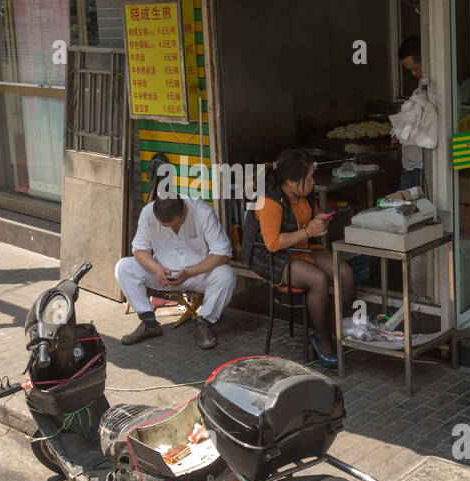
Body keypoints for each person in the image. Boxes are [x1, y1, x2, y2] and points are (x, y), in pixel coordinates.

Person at [242, 149, 355, 368]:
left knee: (345, 274)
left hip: (299, 247)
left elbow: (306, 221)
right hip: (270, 257)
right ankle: (322, 339)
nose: (313, 182)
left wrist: (318, 221)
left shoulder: (304, 193)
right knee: (317, 279)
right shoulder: (269, 201)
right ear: (293, 182)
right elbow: (272, 243)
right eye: (310, 177)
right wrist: (308, 232)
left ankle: (339, 329)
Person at [116, 194, 236, 350]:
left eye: (176, 225)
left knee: (226, 275)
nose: (173, 229)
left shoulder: (202, 212)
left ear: (184, 208)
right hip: (162, 274)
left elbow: (222, 253)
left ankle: (203, 324)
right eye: (167, 226)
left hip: (198, 273)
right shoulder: (148, 213)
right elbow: (139, 249)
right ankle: (149, 324)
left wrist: (189, 272)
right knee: (124, 266)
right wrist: (155, 268)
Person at [396, 36, 437, 192]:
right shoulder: (423, 82)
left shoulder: (441, 87)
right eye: (410, 69)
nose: (413, 73)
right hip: (410, 163)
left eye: (415, 68)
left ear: (425, 60)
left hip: (423, 165)